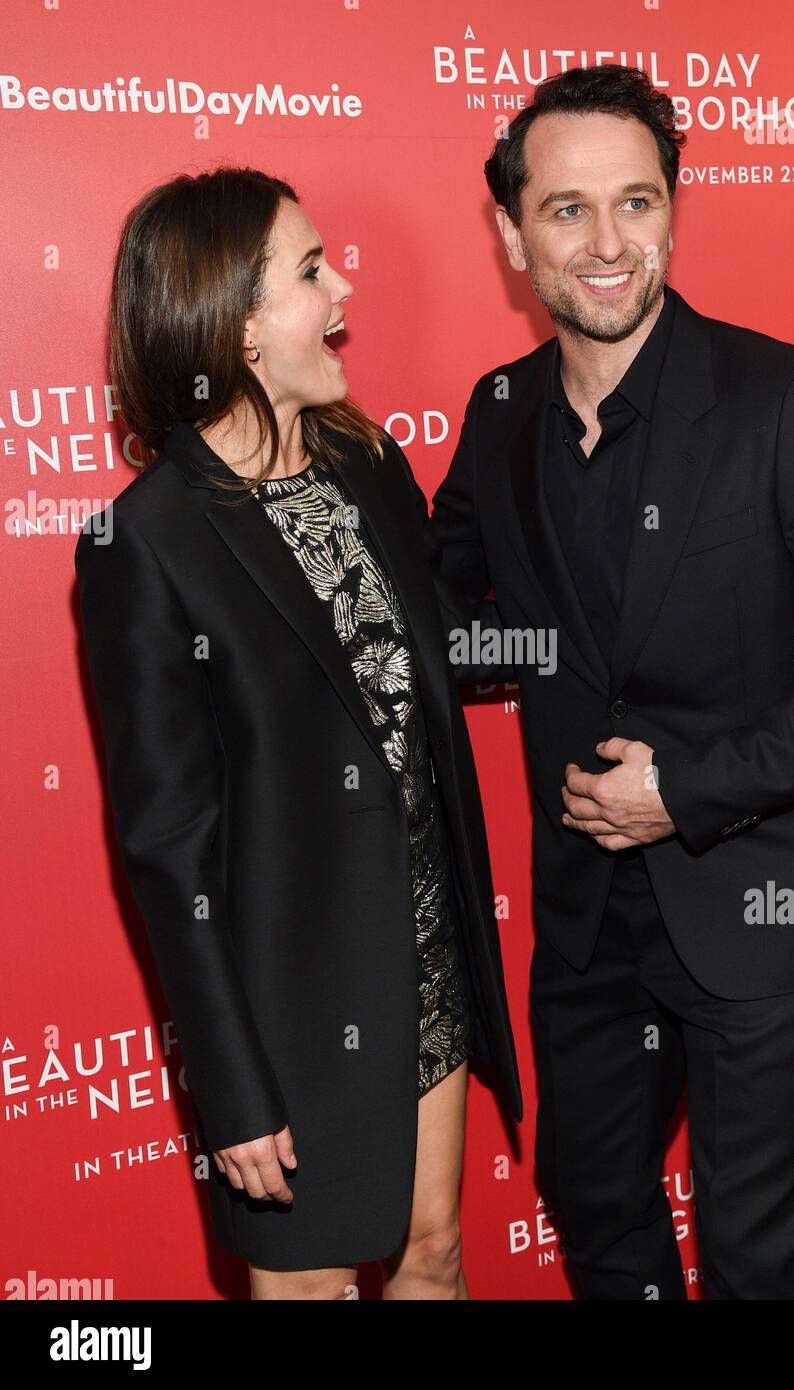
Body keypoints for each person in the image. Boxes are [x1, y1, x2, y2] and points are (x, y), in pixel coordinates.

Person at [428, 64, 794, 1299]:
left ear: (672, 208)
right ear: (512, 234)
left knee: (756, 1250)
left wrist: (690, 788)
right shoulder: (498, 415)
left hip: (759, 905)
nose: (608, 245)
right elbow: (453, 621)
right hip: (583, 920)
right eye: (565, 210)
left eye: (638, 203)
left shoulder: (783, 396)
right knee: (595, 1203)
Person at [74, 165, 521, 1300]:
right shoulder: (148, 541)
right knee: (312, 1291)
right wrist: (230, 1082)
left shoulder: (363, 465)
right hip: (285, 1000)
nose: (342, 287)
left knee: (433, 1256)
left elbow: (430, 670)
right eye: (311, 269)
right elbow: (168, 844)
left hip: (419, 957)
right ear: (232, 320)